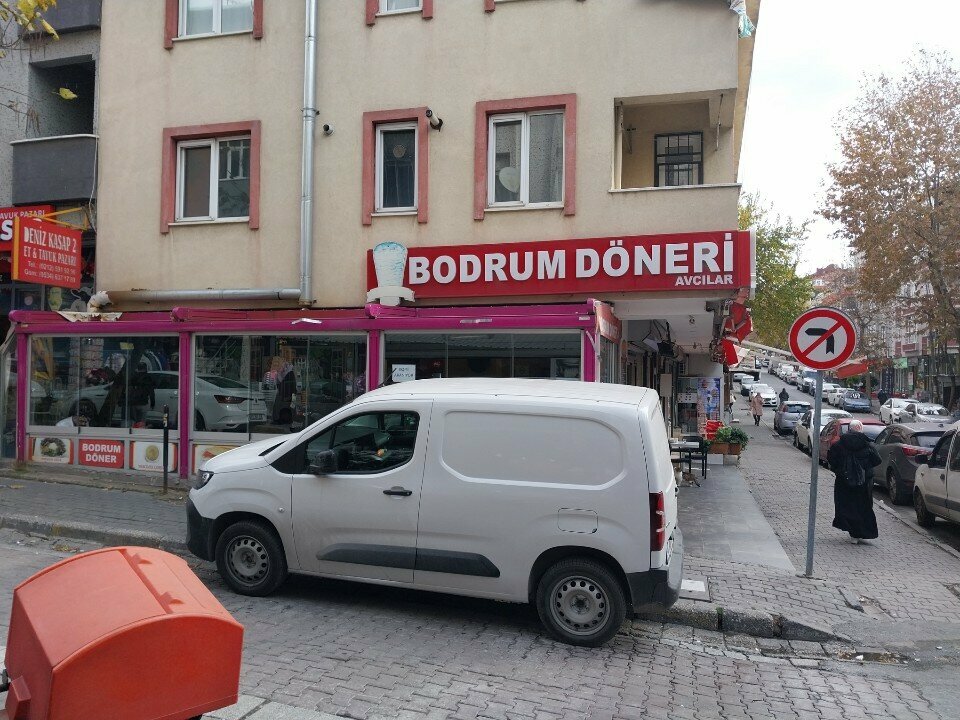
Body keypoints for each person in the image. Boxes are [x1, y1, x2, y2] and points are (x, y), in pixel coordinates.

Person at [827, 419, 881, 544]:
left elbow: (831, 460)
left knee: (847, 506)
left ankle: (852, 533)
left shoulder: (839, 444)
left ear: (849, 429)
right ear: (861, 429)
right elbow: (877, 460)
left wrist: (840, 471)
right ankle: (861, 531)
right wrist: (865, 467)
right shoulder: (867, 444)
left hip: (843, 481)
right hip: (863, 482)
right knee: (863, 506)